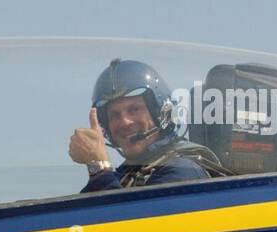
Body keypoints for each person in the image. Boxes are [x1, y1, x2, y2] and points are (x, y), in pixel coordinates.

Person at [69, 59, 228, 192]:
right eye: (114, 115)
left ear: (160, 112)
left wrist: (98, 165)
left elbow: (127, 226)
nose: (124, 122)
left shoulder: (182, 172)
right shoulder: (123, 176)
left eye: (134, 109)